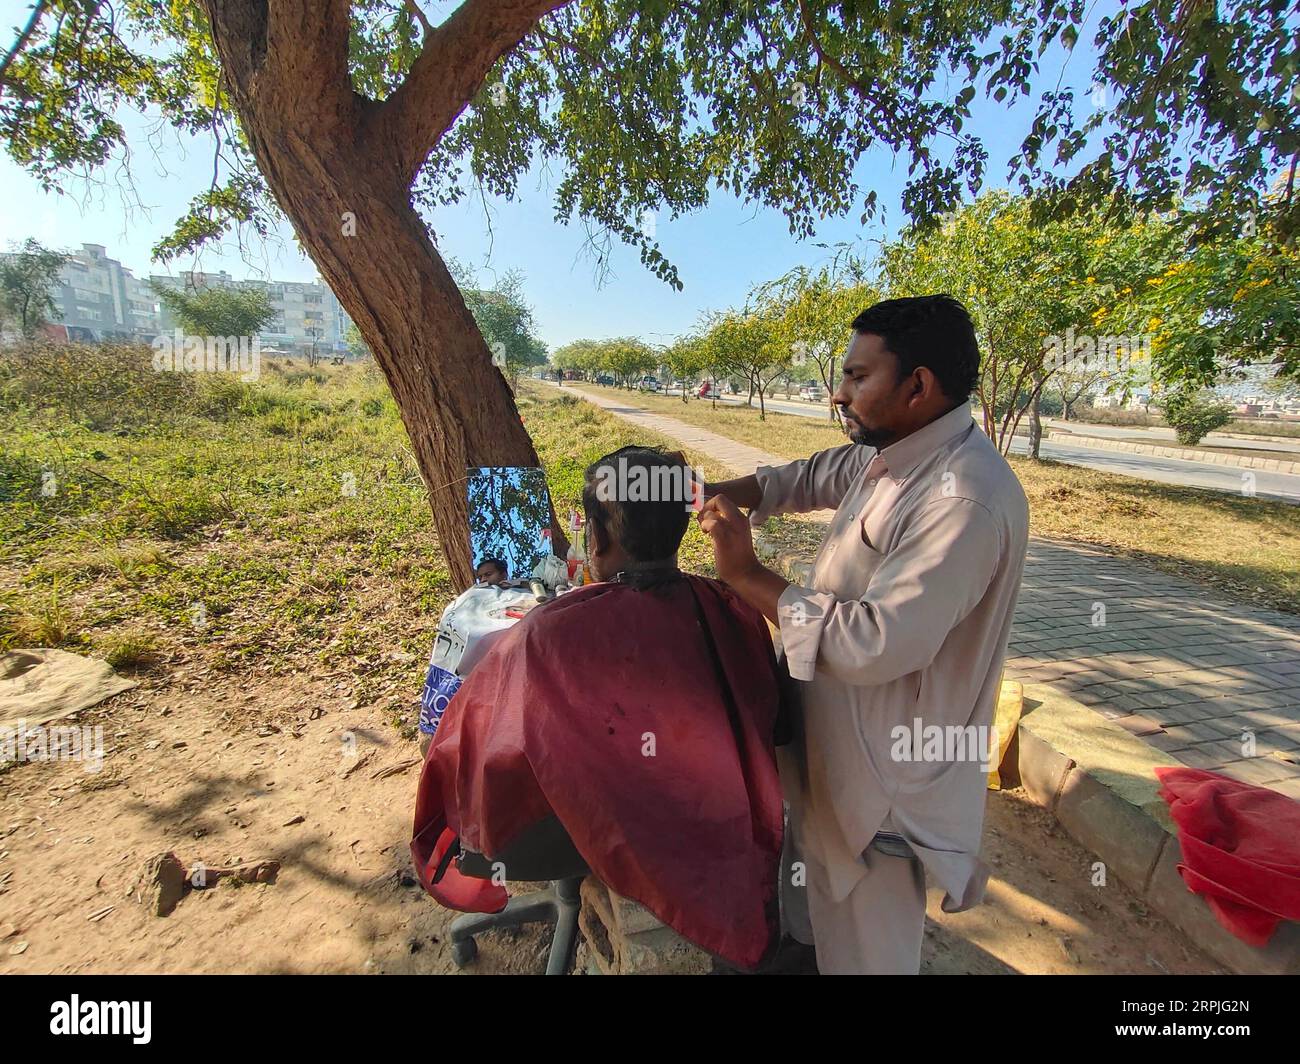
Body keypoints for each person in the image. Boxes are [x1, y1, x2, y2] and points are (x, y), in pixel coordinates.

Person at [699, 294, 1030, 974]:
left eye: (856, 378)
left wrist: (748, 575)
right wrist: (702, 495)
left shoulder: (962, 499)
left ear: (918, 385)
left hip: (884, 784)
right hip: (835, 749)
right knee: (816, 915)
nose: (836, 394)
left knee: (865, 949)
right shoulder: (894, 453)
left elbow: (874, 642)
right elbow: (802, 478)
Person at [412, 447, 786, 971]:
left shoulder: (545, 632)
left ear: (597, 537)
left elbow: (474, 751)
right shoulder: (732, 608)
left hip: (564, 833)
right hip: (692, 824)